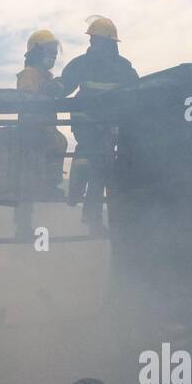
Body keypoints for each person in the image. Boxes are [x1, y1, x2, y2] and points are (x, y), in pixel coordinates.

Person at [60, 16, 139, 233]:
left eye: (96, 40)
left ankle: (79, 191)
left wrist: (53, 89)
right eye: (94, 41)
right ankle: (91, 217)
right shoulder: (121, 66)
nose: (95, 45)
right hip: (97, 124)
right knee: (99, 167)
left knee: (95, 163)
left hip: (95, 124)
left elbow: (63, 86)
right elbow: (138, 90)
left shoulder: (84, 64)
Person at [15, 29, 69, 239]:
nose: (53, 55)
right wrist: (47, 90)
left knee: (59, 143)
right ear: (36, 52)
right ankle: (23, 225)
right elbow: (27, 97)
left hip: (45, 128)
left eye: (55, 52)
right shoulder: (29, 74)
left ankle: (50, 184)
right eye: (49, 51)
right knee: (26, 180)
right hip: (33, 130)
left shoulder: (44, 75)